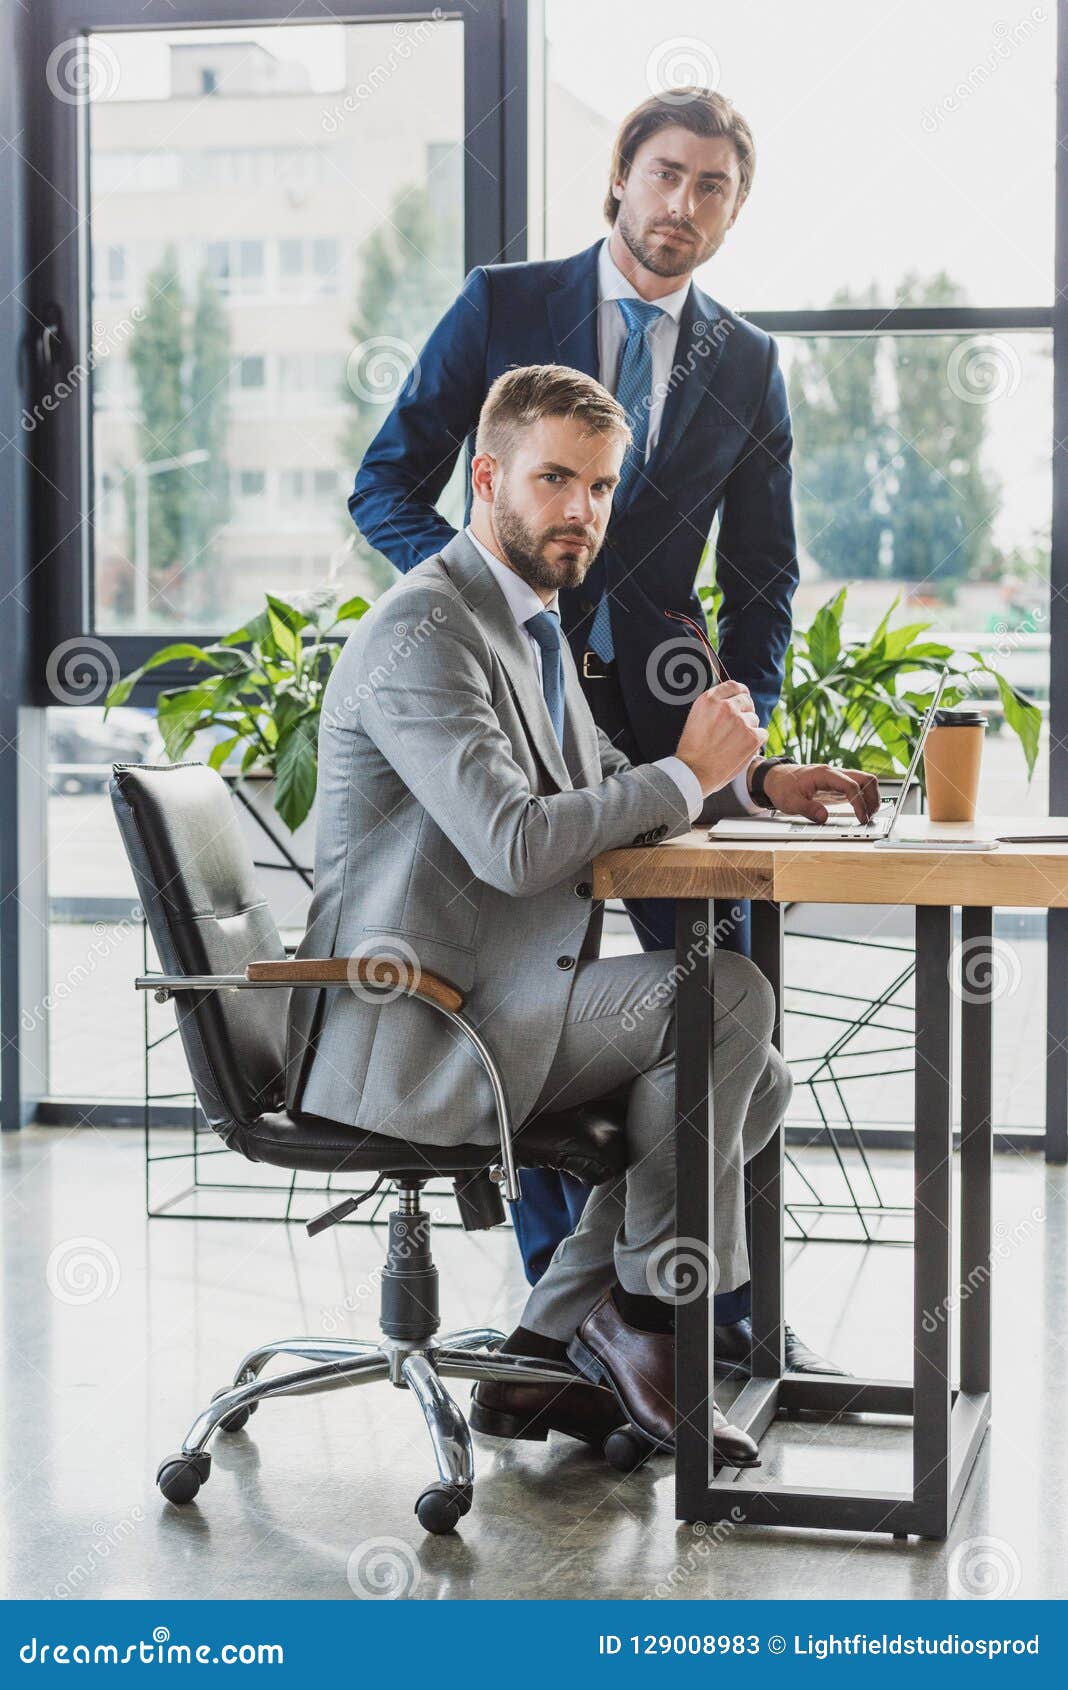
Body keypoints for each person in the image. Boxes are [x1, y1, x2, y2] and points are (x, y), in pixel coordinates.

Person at [288, 365, 880, 1454]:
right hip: (420, 1021)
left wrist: (753, 783)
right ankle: (654, 1318)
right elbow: (516, 842)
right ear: (486, 477)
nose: (582, 511)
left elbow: (607, 778)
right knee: (726, 1000)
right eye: (555, 479)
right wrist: (684, 780)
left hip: (502, 998)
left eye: (602, 487)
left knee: (756, 1068)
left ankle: (550, 1349)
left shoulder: (535, 630)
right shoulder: (427, 629)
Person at [349, 86, 820, 1374]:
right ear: (620, 176)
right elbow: (386, 477)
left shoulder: (750, 362)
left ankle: (693, 1321)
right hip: (505, 696)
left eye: (715, 186)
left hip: (661, 742)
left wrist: (744, 735)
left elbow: (764, 580)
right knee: (539, 985)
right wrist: (499, 605)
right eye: (667, 174)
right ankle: (586, 1338)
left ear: (734, 207)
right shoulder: (505, 304)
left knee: (713, 1026)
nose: (684, 205)